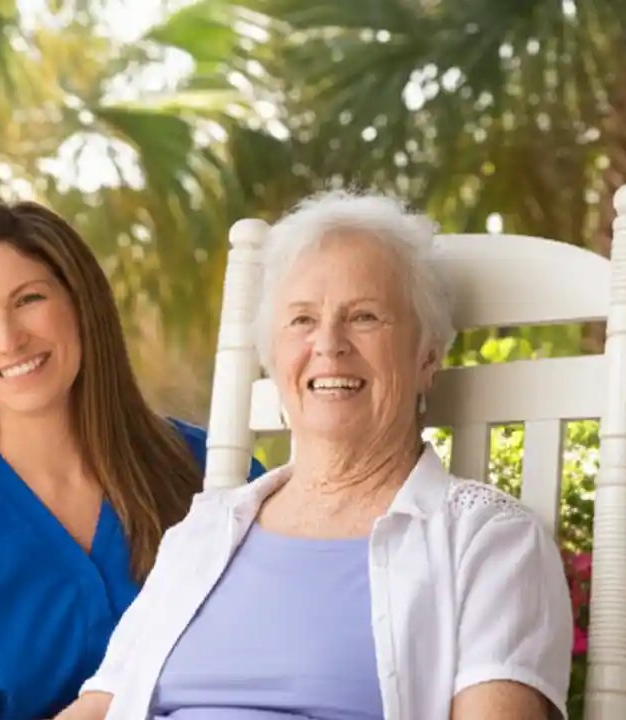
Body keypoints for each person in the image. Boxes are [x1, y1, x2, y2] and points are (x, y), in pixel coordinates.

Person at [56, 190, 574, 720]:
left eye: (366, 316)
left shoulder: (487, 541)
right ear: (273, 357)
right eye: (301, 320)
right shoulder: (205, 530)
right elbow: (103, 703)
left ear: (426, 357)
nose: (329, 344)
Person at [0, 200, 263, 720]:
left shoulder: (216, 476)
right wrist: (103, 706)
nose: (7, 339)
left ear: (81, 302)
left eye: (29, 300)